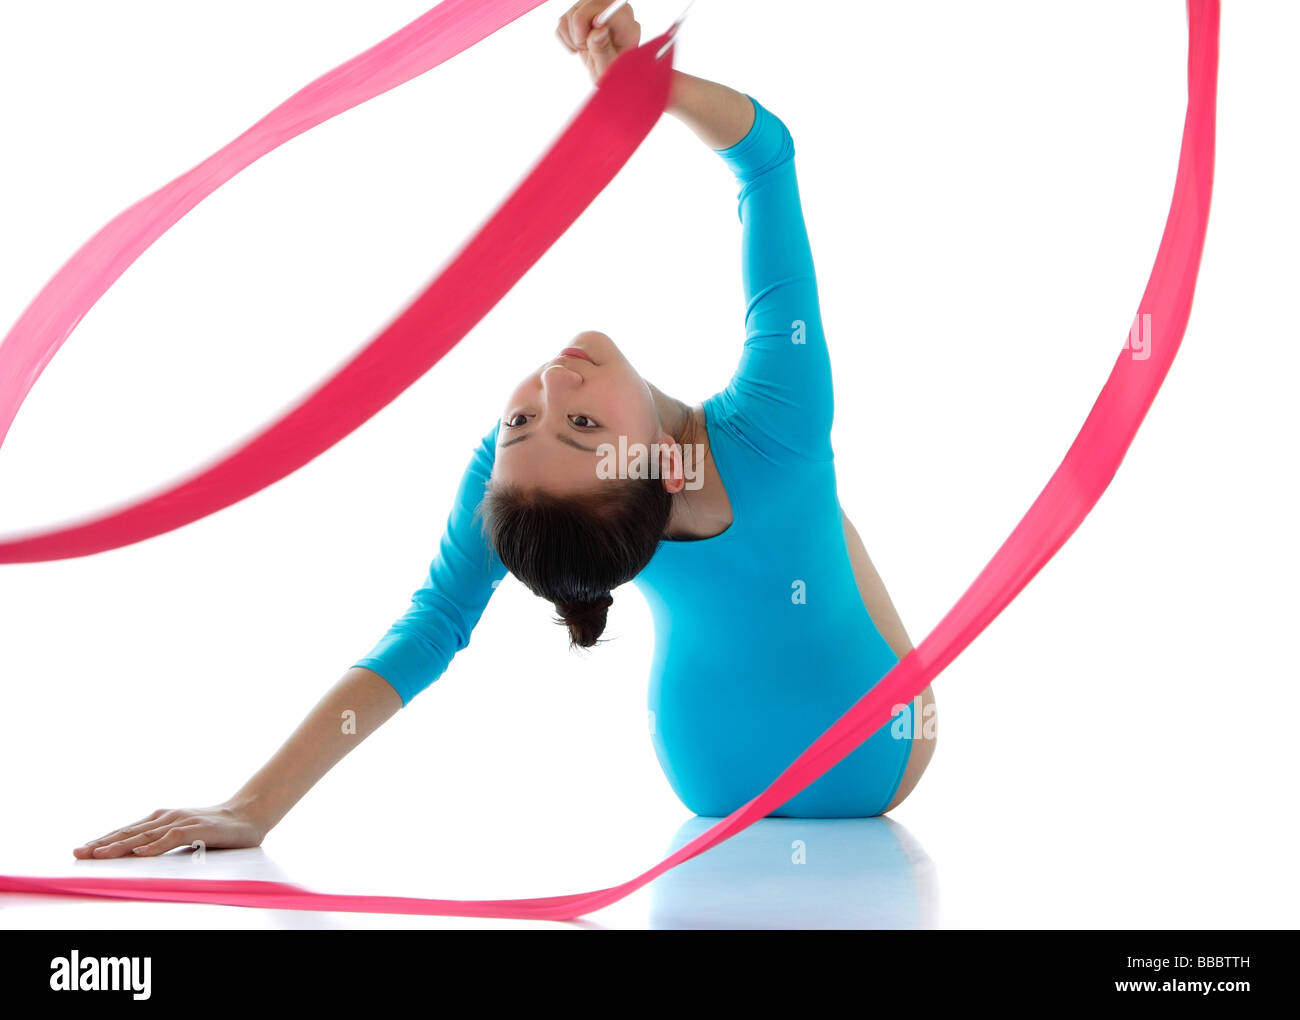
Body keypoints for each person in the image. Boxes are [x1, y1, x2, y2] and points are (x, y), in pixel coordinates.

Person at [74, 0, 936, 860]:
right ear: (665, 466)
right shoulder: (777, 424)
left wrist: (254, 806)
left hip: (708, 775)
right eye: (585, 424)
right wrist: (655, 89)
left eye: (526, 417)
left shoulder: (516, 470)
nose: (551, 386)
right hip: (874, 757)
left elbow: (434, 626)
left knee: (787, 503)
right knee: (799, 496)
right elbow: (766, 158)